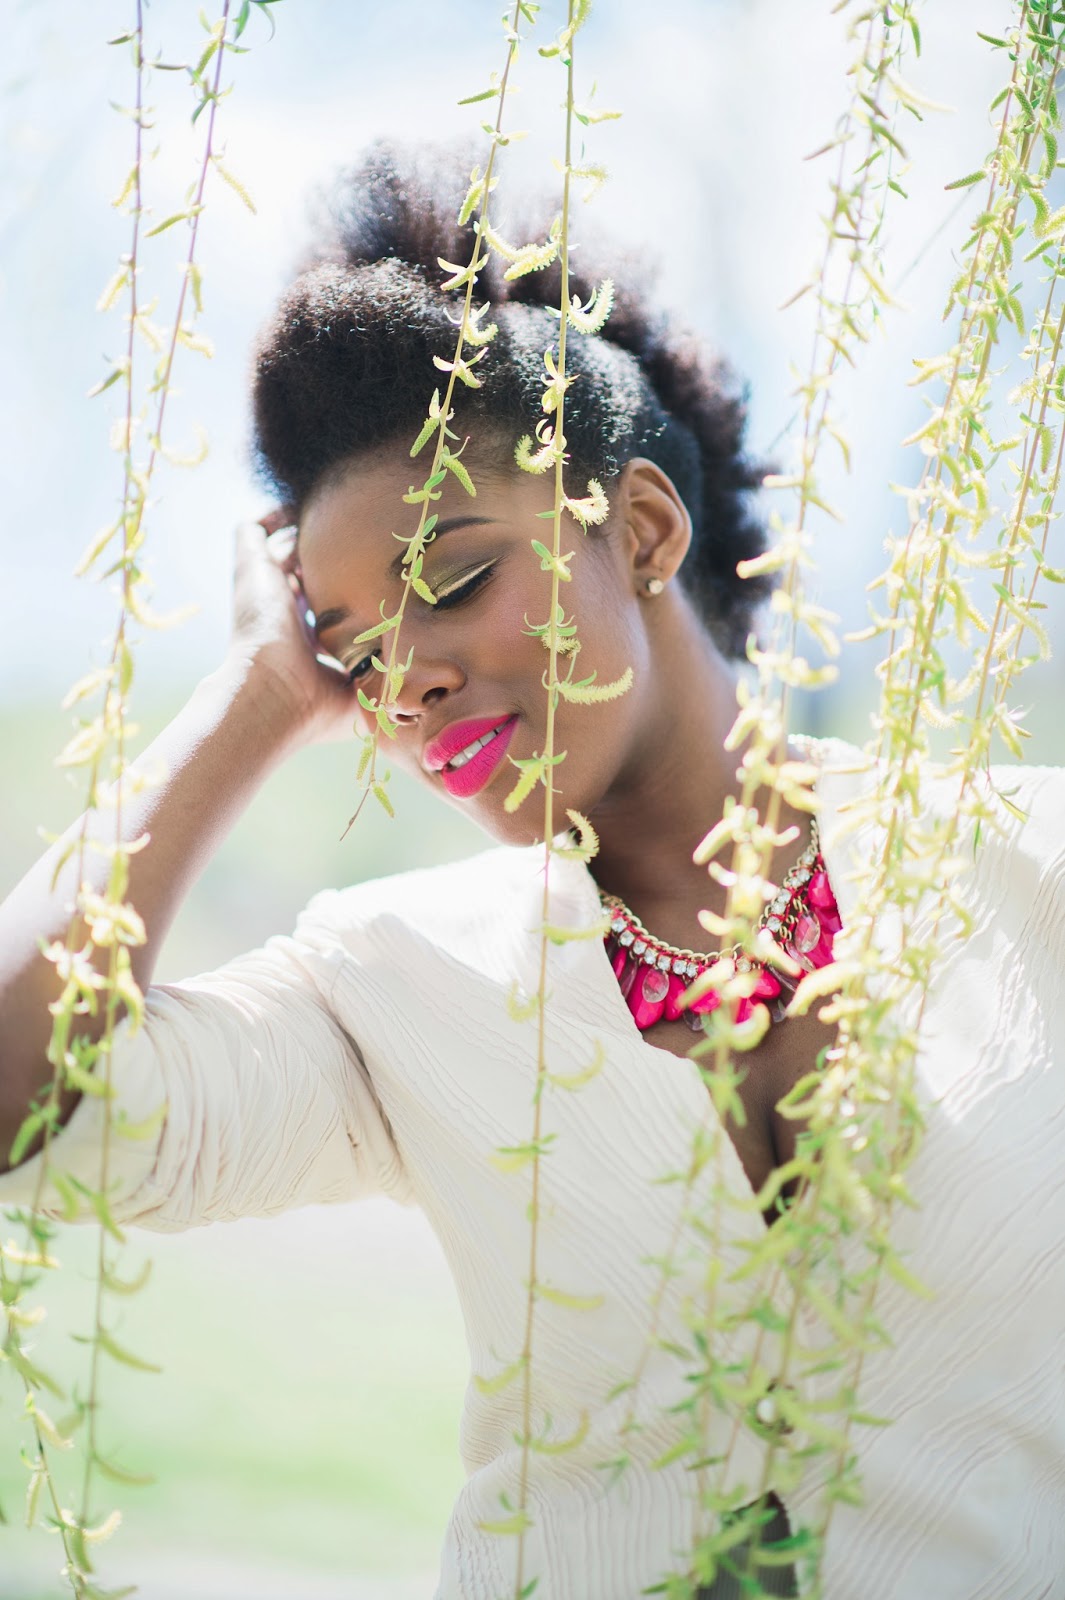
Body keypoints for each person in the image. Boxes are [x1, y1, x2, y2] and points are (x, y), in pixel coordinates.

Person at [1, 146, 1063, 1600]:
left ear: (636, 530)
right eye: (351, 650)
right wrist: (252, 694)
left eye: (448, 581)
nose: (407, 679)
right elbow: (17, 1094)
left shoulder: (1024, 867)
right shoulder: (396, 977)